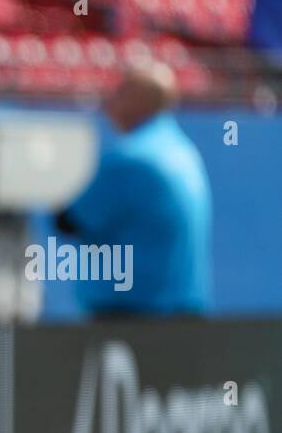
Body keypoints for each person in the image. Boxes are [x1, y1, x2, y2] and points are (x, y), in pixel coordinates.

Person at [56, 63, 212, 318]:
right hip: (179, 313)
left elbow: (68, 221)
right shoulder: (185, 152)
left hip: (135, 317)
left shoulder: (131, 157)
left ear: (138, 100)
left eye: (120, 91)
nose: (110, 102)